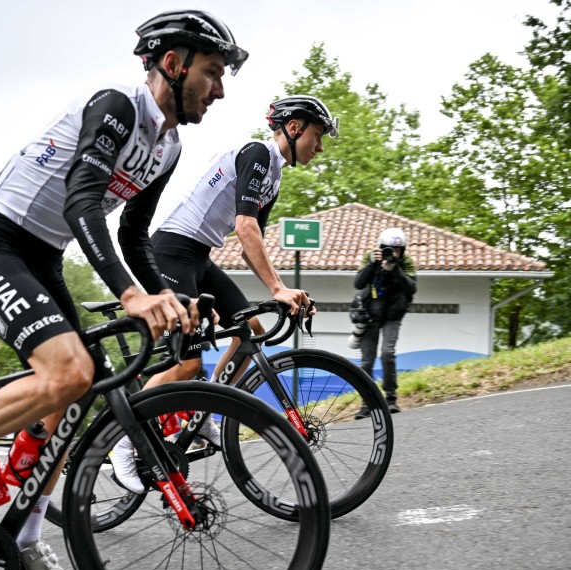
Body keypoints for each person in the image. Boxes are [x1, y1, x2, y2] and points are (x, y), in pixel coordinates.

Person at [0, 10, 249, 570]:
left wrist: (172, 295)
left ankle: (25, 535)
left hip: (42, 257)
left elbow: (134, 236)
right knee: (67, 370)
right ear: (172, 64)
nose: (219, 90)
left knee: (79, 390)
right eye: (212, 73)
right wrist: (131, 295)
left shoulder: (167, 146)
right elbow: (82, 204)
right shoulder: (118, 106)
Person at [108, 95, 338, 494]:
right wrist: (278, 288)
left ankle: (202, 413)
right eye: (317, 136)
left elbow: (252, 240)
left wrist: (276, 290)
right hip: (171, 251)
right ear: (295, 127)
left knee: (249, 326)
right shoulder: (258, 154)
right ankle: (122, 443)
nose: (319, 148)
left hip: (197, 255)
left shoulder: (275, 175)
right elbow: (246, 227)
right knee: (185, 364)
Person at [353, 227, 417, 418]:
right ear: (381, 247)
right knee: (367, 361)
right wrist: (373, 264)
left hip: (393, 314)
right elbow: (358, 283)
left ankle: (391, 398)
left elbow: (412, 288)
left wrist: (394, 268)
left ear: (402, 250)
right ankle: (366, 403)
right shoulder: (371, 257)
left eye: (397, 249)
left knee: (387, 354)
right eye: (388, 249)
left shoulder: (405, 262)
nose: (392, 253)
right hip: (370, 313)